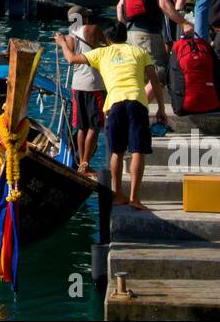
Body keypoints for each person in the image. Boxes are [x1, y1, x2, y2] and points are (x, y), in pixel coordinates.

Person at [55, 22, 165, 210]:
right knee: (138, 150)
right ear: (125, 37)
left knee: (117, 151)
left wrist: (62, 42)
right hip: (137, 102)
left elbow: (71, 59)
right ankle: (134, 199)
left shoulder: (102, 53)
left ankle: (118, 195)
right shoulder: (139, 53)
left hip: (114, 104)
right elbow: (154, 81)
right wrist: (161, 108)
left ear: (108, 38)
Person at [118, 0, 192, 105]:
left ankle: (134, 110)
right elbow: (164, 3)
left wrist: (124, 30)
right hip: (148, 34)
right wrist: (184, 23)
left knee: (140, 76)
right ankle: (139, 109)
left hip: (131, 34)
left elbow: (120, 7)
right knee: (160, 75)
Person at [65, 7, 107, 173]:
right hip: (94, 84)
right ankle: (85, 163)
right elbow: (109, 46)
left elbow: (69, 60)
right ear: (84, 18)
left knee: (81, 127)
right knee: (94, 126)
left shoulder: (68, 38)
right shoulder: (94, 29)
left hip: (77, 84)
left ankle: (82, 162)